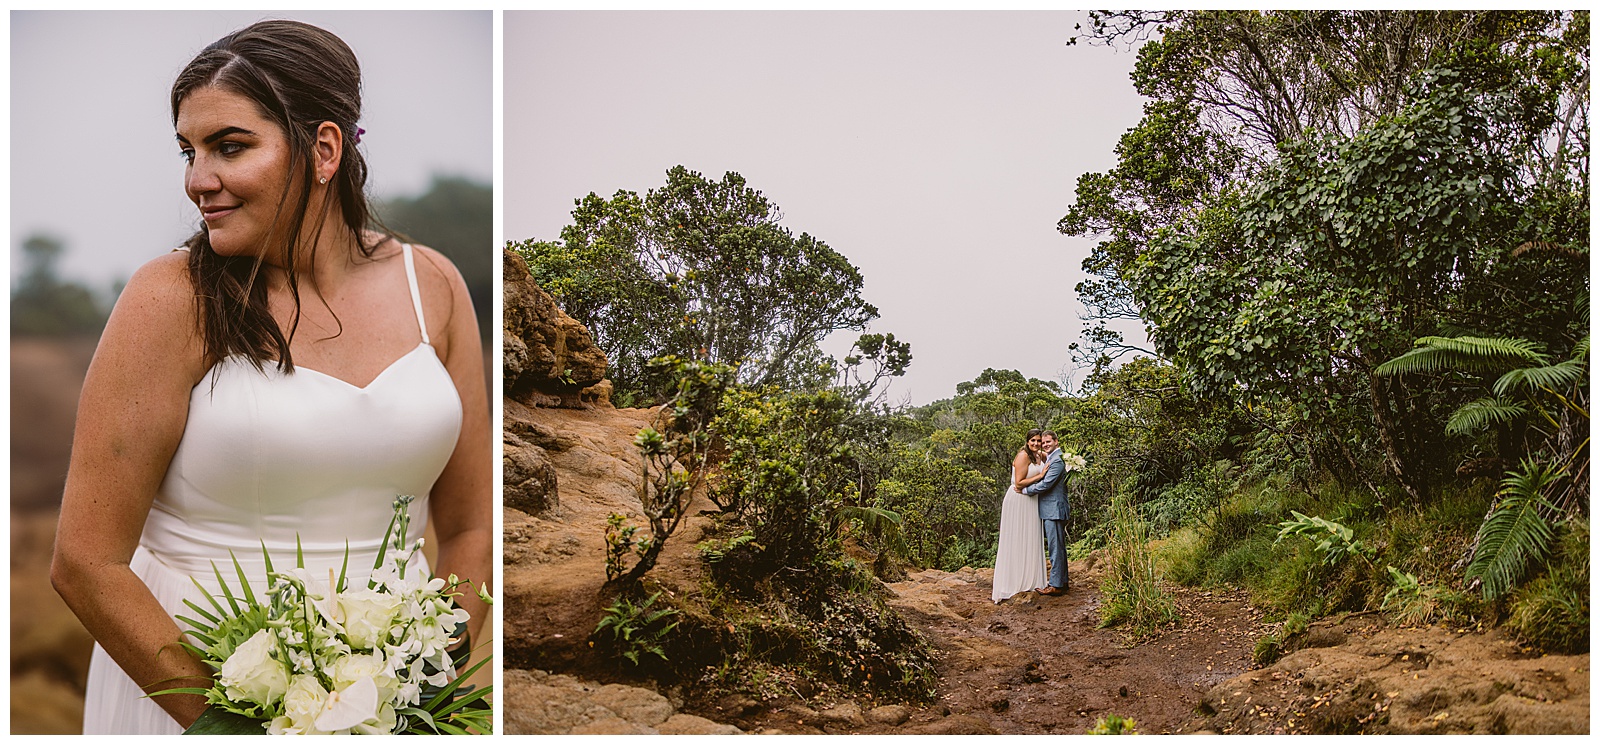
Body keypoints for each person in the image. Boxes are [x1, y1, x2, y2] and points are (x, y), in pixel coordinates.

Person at [49, 20, 491, 734]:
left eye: (230, 146)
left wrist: (424, 680)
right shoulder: (170, 298)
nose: (198, 179)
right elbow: (84, 561)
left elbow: (471, 526)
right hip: (194, 695)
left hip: (393, 709)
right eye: (188, 151)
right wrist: (238, 727)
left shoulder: (431, 284)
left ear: (323, 149)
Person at [991, 429, 1050, 603]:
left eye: (1039, 441)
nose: (1036, 444)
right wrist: (1040, 476)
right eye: (1033, 440)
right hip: (1019, 499)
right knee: (1017, 538)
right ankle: (1015, 582)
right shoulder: (1023, 456)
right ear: (1027, 441)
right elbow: (1019, 482)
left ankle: (1031, 578)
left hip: (1032, 501)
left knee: (1030, 537)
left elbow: (1052, 458)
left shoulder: (1040, 455)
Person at [1023, 431, 1072, 595]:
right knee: (1059, 547)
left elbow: (1046, 484)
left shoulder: (1057, 460)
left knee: (1055, 548)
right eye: (1043, 442)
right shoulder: (1054, 457)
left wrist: (1026, 490)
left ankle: (1056, 585)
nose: (1045, 445)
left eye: (1048, 442)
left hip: (1054, 509)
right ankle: (1062, 582)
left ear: (1056, 442)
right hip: (1053, 508)